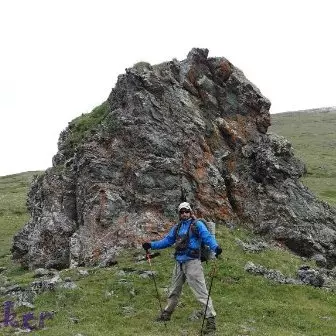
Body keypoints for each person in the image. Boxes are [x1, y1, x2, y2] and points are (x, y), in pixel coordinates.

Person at [142, 202, 222, 334]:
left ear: (190, 212)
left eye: (186, 211)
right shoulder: (177, 227)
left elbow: (207, 237)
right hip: (179, 263)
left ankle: (211, 321)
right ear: (179, 214)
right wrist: (151, 245)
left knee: (201, 293)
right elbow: (167, 241)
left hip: (193, 263)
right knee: (174, 290)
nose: (184, 214)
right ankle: (166, 314)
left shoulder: (197, 225)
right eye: (182, 212)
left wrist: (216, 248)